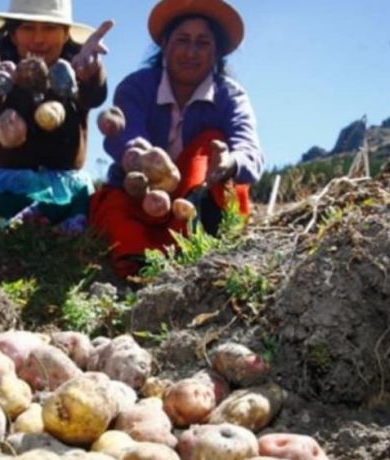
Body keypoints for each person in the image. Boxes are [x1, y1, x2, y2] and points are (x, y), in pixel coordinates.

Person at [0, 0, 113, 270]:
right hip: (2, 187)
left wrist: (90, 73)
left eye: (50, 28)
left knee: (75, 253)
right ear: (13, 34)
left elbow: (94, 94)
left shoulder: (77, 70)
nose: (39, 38)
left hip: (64, 192)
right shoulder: (0, 70)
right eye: (28, 27)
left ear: (65, 35)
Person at [89, 0, 264, 278]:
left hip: (200, 200)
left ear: (216, 52)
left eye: (203, 43)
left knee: (212, 142)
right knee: (115, 211)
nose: (191, 52)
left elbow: (250, 151)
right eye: (182, 40)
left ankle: (201, 242)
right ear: (165, 44)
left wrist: (229, 162)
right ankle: (139, 262)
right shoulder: (136, 87)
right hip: (141, 196)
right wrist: (140, 158)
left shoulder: (231, 96)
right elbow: (124, 133)